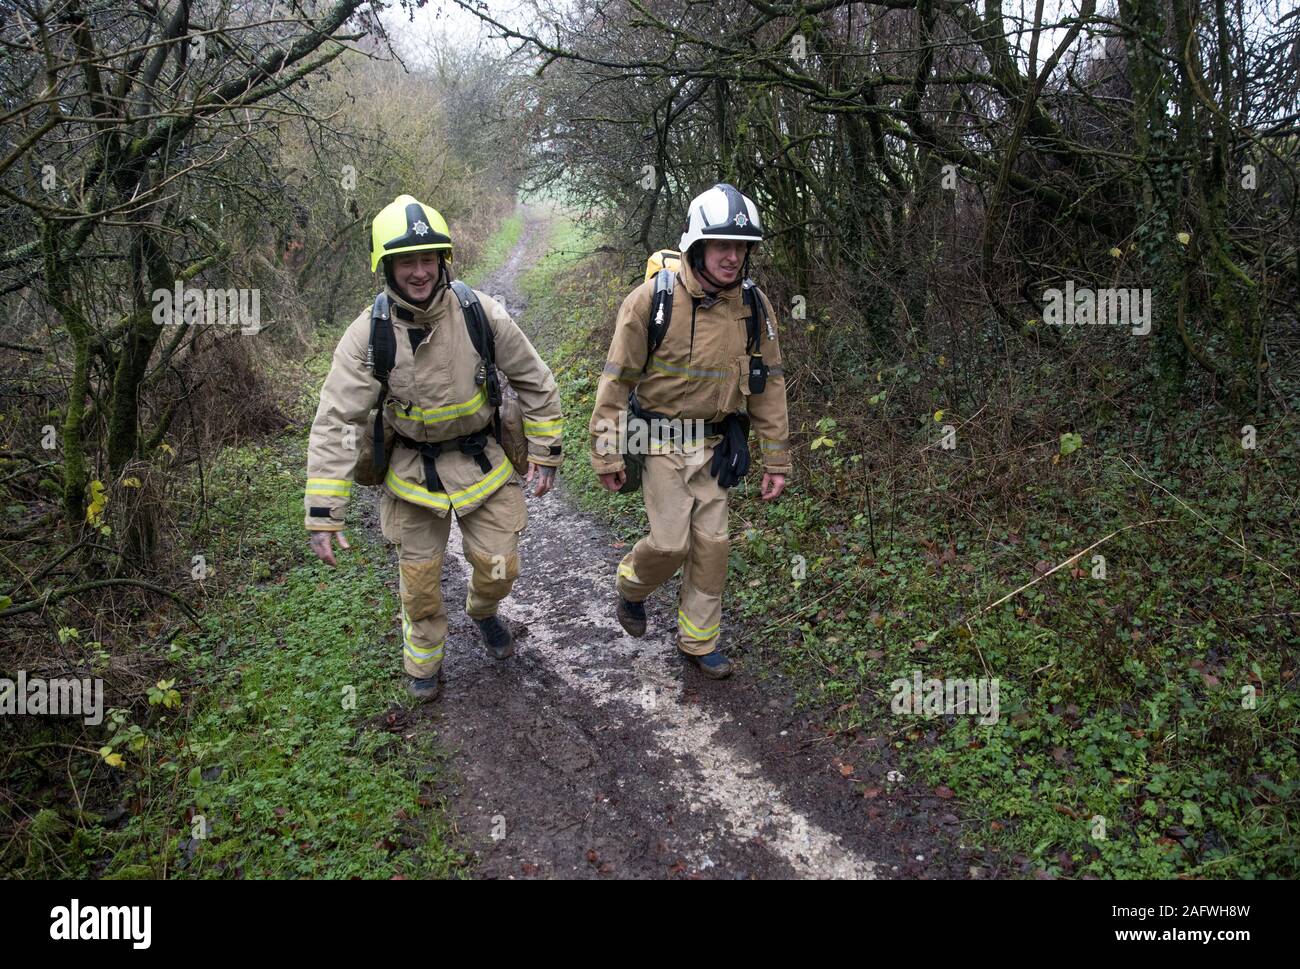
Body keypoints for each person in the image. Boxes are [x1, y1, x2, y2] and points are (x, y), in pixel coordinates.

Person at [305, 195, 564, 700]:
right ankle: (422, 664)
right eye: (407, 261)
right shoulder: (368, 335)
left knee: (499, 568)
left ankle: (483, 610)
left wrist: (546, 448)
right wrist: (323, 509)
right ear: (387, 267)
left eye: (429, 258)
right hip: (411, 475)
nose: (420, 272)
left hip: (481, 465)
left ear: (444, 260)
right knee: (420, 583)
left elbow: (534, 380)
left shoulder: (479, 313)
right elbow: (337, 419)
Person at [588, 184, 791, 678]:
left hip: (716, 444)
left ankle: (698, 642)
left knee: (713, 547)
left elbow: (769, 386)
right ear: (696, 246)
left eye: (741, 247)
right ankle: (632, 587)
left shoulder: (754, 307)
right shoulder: (650, 302)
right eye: (722, 245)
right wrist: (607, 452)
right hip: (655, 441)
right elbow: (616, 383)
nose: (732, 257)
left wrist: (777, 459)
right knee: (670, 545)